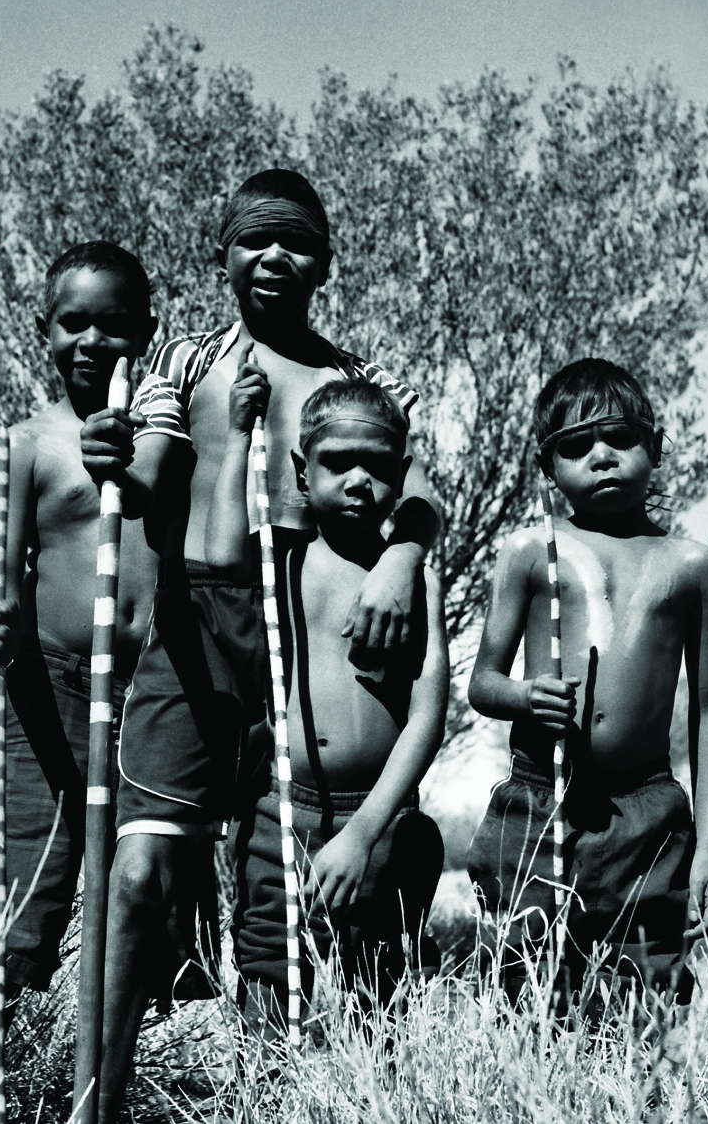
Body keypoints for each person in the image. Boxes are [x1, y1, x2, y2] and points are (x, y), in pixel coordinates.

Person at [81, 169, 441, 1120]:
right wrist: (118, 458)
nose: (274, 257)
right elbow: (155, 471)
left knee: (298, 878)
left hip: (311, 646)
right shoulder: (182, 360)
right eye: (255, 239)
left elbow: (420, 494)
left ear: (326, 260)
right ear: (224, 252)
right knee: (141, 868)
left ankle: (318, 1086)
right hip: (196, 630)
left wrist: (403, 556)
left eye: (297, 242)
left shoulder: (363, 385)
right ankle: (100, 1100)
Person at [0, 242, 159, 1124]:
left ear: (146, 331)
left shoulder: (167, 441)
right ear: (45, 333)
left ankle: (101, 1093)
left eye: (114, 323)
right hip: (48, 690)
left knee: (139, 887)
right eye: (74, 322)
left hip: (147, 696)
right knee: (18, 880)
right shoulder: (26, 444)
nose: (92, 340)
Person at [465, 358, 708, 1007]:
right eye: (577, 447)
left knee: (649, 987)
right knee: (529, 983)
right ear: (547, 466)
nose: (602, 457)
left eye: (619, 439)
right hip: (543, 805)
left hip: (648, 811)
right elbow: (482, 683)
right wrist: (526, 697)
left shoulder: (692, 566)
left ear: (656, 445)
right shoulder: (531, 549)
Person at [205, 371, 447, 1034]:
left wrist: (364, 834)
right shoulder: (277, 563)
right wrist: (236, 436)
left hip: (382, 820)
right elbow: (220, 557)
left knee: (379, 990)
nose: (358, 480)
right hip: (279, 810)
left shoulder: (414, 580)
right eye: (338, 463)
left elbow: (428, 716)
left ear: (401, 475)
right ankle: (264, 1098)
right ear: (302, 470)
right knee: (269, 974)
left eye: (377, 466)